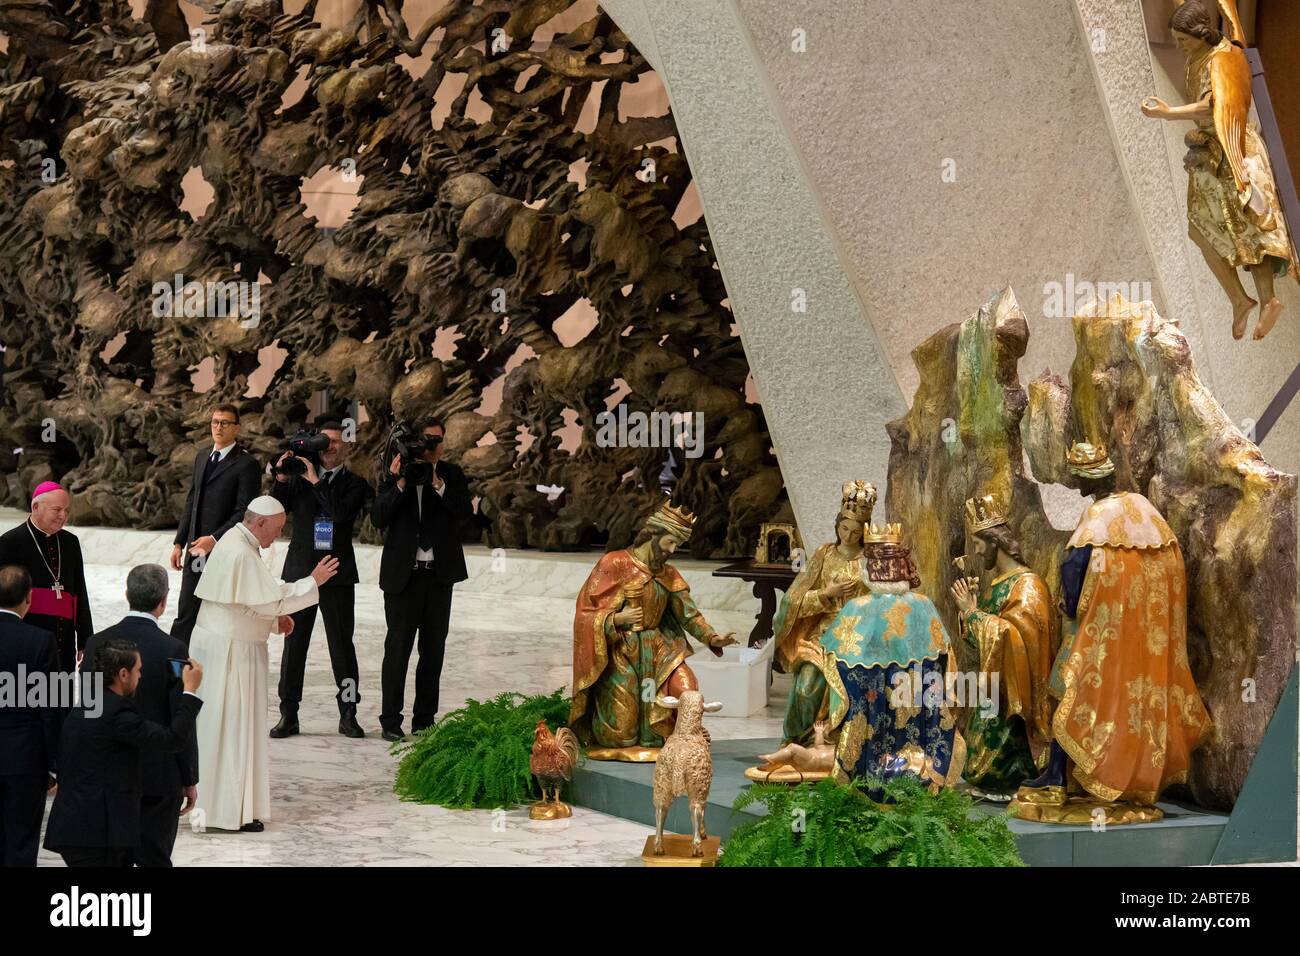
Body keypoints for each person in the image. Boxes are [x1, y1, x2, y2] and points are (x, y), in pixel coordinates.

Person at [1012, 443, 1212, 824]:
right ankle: (1117, 778)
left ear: (1083, 480)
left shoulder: (1098, 517)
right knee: (1126, 708)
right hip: (1141, 641)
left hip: (1098, 633)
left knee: (1068, 689)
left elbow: (1074, 567)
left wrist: (1070, 607)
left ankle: (1057, 776)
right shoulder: (1145, 511)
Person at [189, 496, 338, 832]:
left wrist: (274, 621)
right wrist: (313, 581)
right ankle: (224, 811)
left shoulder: (238, 540)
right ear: (259, 524)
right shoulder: (241, 550)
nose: (280, 535)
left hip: (232, 644)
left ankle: (235, 808)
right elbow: (271, 598)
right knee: (230, 727)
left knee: (232, 727)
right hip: (230, 651)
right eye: (278, 528)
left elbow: (248, 600)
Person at [569, 501, 737, 760]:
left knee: (683, 695)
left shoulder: (668, 574)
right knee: (620, 735)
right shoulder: (614, 563)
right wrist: (616, 619)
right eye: (669, 542)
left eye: (676, 545)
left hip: (660, 651)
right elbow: (584, 614)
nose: (672, 550)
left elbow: (689, 614)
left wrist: (712, 637)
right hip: (621, 653)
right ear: (653, 534)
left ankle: (683, 739)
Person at [820, 525, 962, 798]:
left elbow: (837, 662)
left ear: (872, 568)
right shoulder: (924, 606)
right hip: (918, 711)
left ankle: (868, 781)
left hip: (873, 713)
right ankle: (921, 777)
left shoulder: (856, 608)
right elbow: (947, 662)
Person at [43, 639, 204, 867]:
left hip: (78, 828)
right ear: (123, 674)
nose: (140, 676)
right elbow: (172, 740)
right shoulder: (117, 714)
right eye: (138, 670)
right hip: (96, 835)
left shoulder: (89, 705)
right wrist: (189, 691)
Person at [83, 565, 198, 866]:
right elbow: (180, 713)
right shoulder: (173, 649)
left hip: (106, 775)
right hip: (159, 775)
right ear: (163, 601)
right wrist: (188, 777)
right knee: (155, 859)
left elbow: (86, 711)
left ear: (127, 595)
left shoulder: (96, 643)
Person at [371, 418, 474, 742]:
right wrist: (399, 482)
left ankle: (424, 721)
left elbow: (465, 515)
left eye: (436, 441)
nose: (431, 447)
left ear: (443, 444)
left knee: (433, 652)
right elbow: (378, 518)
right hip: (404, 579)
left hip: (438, 577)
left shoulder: (451, 474)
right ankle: (390, 720)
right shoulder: (394, 473)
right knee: (397, 651)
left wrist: (438, 483)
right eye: (426, 441)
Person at [270, 421, 371, 739]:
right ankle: (288, 714)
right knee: (293, 644)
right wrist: (282, 477)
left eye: (337, 442)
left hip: (336, 572)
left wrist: (314, 480)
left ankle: (349, 713)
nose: (329, 447)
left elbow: (339, 516)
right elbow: (276, 509)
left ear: (348, 447)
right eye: (323, 441)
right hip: (300, 571)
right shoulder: (298, 480)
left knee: (342, 647)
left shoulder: (356, 484)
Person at [951, 496, 1054, 796]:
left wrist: (974, 614)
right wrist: (969, 615)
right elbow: (983, 642)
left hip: (1016, 702)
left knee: (998, 768)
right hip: (993, 695)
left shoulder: (1029, 585)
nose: (977, 549)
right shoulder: (998, 583)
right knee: (976, 767)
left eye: (980, 542)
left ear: (995, 541)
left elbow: (1016, 639)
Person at [771, 481, 872, 748]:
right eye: (844, 529)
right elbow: (794, 600)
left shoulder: (870, 560)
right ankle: (797, 742)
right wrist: (827, 593)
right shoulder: (824, 555)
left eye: (855, 531)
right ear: (837, 525)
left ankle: (841, 746)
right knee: (806, 687)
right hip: (822, 636)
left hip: (858, 637)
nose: (849, 536)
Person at [170, 403, 261, 645]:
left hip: (225, 551)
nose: (218, 427)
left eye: (225, 423)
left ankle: (212, 664)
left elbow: (244, 511)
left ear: (237, 428)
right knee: (187, 610)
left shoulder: (246, 464)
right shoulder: (202, 456)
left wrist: (215, 538)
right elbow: (193, 500)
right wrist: (180, 541)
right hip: (196, 549)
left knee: (219, 612)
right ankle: (175, 666)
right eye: (215, 422)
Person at [0, 482, 94, 675]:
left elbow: (79, 589)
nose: (63, 516)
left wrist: (85, 637)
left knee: (61, 698)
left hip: (64, 641)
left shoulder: (70, 542)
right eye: (57, 509)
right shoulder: (10, 541)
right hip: (26, 641)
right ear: (35, 507)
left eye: (66, 510)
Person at [0, 565, 60, 867]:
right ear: (28, 599)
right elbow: (50, 708)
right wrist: (54, 764)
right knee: (21, 843)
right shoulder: (40, 641)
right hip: (25, 759)